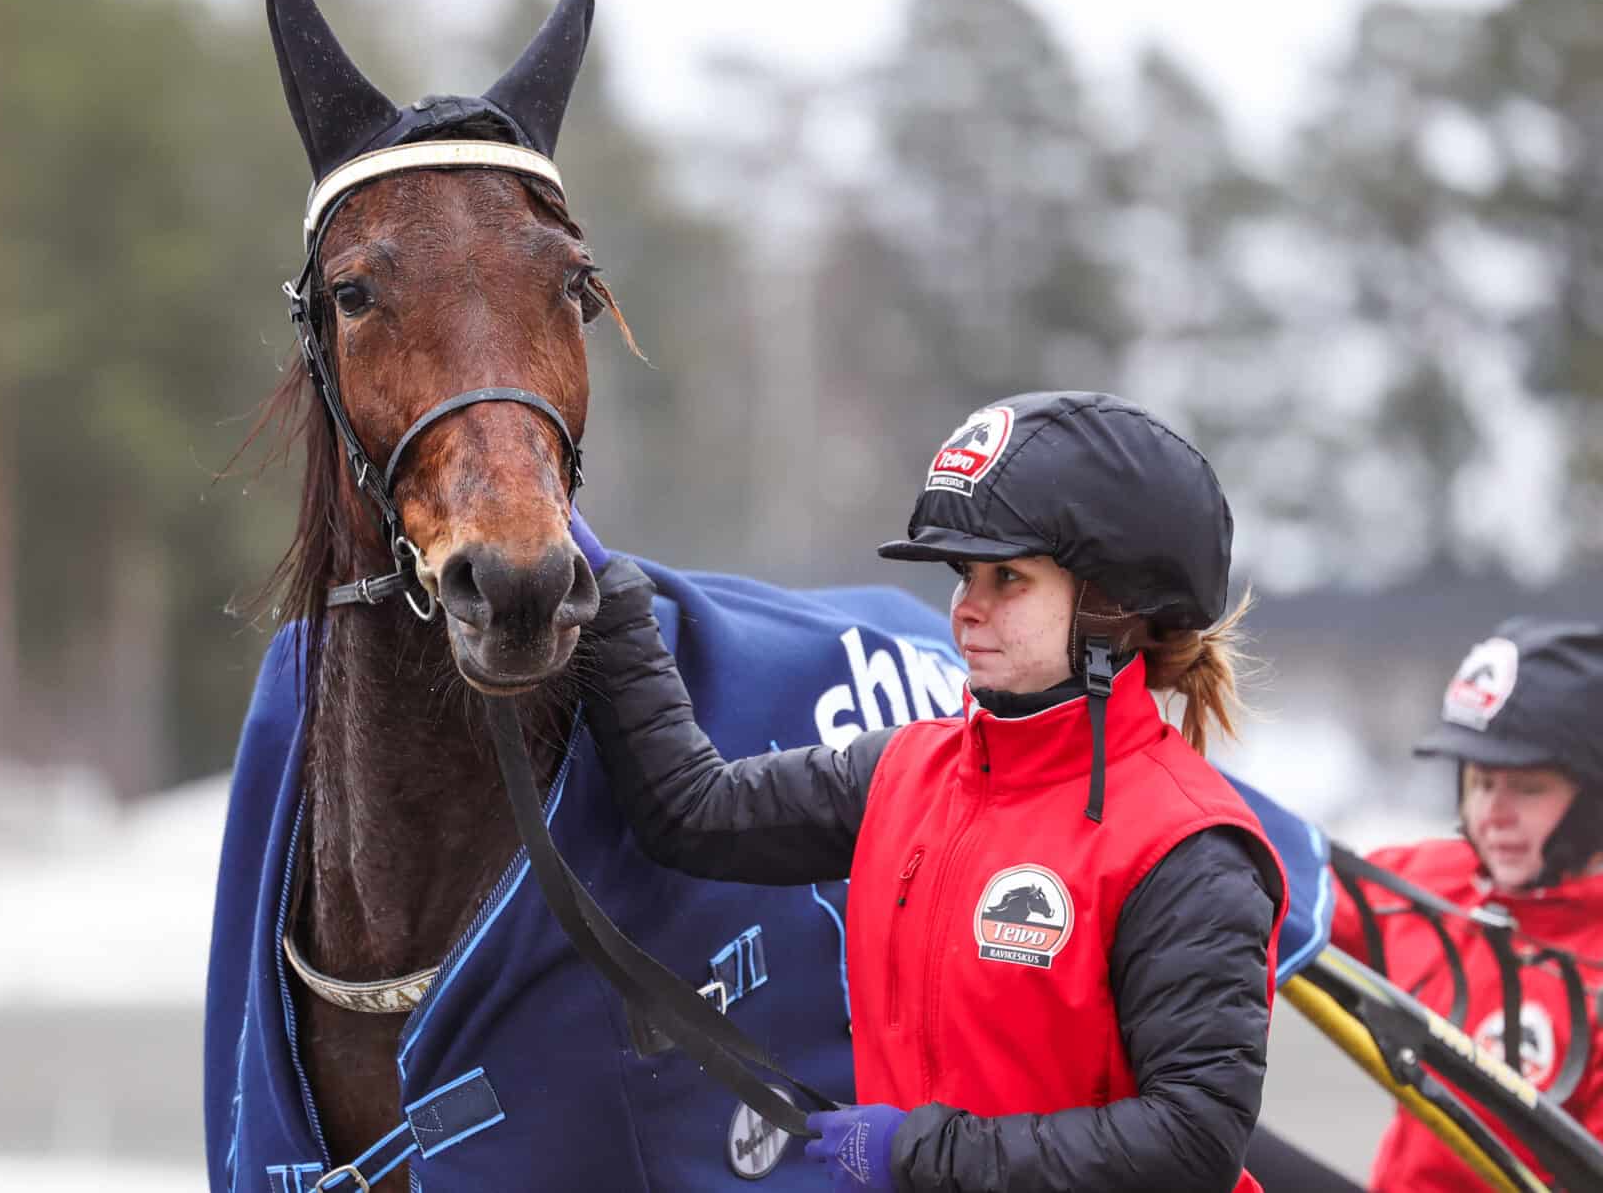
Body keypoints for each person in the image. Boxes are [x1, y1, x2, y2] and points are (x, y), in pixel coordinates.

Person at [581, 391, 1287, 1192]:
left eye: (1007, 577)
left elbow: (1192, 1141)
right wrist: (606, 596)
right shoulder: (901, 772)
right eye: (964, 575)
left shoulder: (1191, 848)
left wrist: (913, 1154)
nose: (966, 610)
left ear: (1112, 606)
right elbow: (693, 811)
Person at [1323, 619, 1603, 1192]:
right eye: (1480, 782)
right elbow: (1268, 893)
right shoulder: (1425, 883)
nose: (1493, 815)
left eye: (1528, 788)